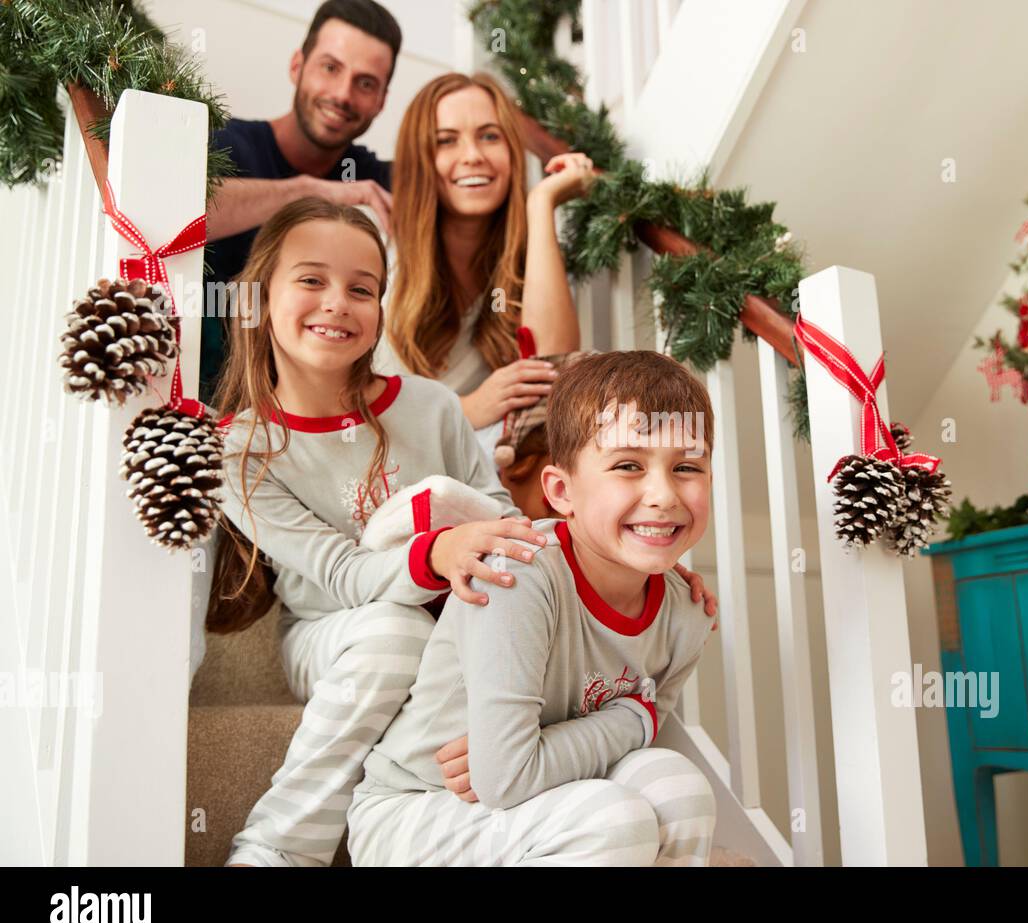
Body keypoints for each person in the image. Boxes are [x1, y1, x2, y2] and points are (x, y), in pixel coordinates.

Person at [206, 197, 548, 867]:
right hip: (330, 634)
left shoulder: (432, 406)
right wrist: (438, 550)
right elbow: (343, 576)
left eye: (361, 289)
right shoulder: (239, 452)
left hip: (454, 630)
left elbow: (501, 522)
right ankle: (278, 848)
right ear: (259, 297)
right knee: (397, 633)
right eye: (311, 280)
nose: (338, 302)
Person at [346, 351, 718, 866]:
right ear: (561, 491)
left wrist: (601, 732)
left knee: (679, 787)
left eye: (687, 467)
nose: (662, 494)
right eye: (628, 465)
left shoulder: (688, 613)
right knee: (615, 819)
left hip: (546, 795)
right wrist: (633, 716)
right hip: (418, 809)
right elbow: (510, 778)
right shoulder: (516, 573)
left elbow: (634, 736)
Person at [200, 0, 402, 408]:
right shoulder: (225, 146)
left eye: (365, 83)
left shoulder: (374, 179)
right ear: (298, 66)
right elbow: (178, 214)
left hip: (323, 419)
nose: (343, 94)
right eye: (331, 68)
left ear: (381, 99)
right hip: (202, 405)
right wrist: (309, 191)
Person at [378, 72, 592, 443]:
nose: (473, 156)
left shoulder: (533, 258)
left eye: (490, 136)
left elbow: (554, 368)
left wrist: (540, 204)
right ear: (420, 160)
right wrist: (469, 408)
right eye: (446, 141)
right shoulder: (379, 258)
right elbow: (352, 410)